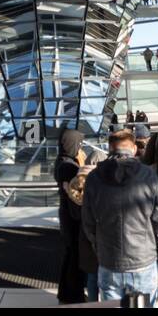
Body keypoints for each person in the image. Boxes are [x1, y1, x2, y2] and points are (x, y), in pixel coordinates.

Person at [82, 129, 158, 306]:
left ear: (110, 149)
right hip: (143, 259)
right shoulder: (148, 176)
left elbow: (88, 223)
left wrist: (99, 247)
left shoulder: (93, 178)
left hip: (109, 260)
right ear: (134, 149)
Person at [54, 129, 89, 303]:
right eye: (79, 143)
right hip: (72, 215)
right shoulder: (68, 166)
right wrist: (82, 166)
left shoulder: (61, 160)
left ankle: (66, 292)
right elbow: (76, 193)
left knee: (70, 254)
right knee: (75, 255)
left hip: (66, 214)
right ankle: (73, 294)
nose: (81, 147)